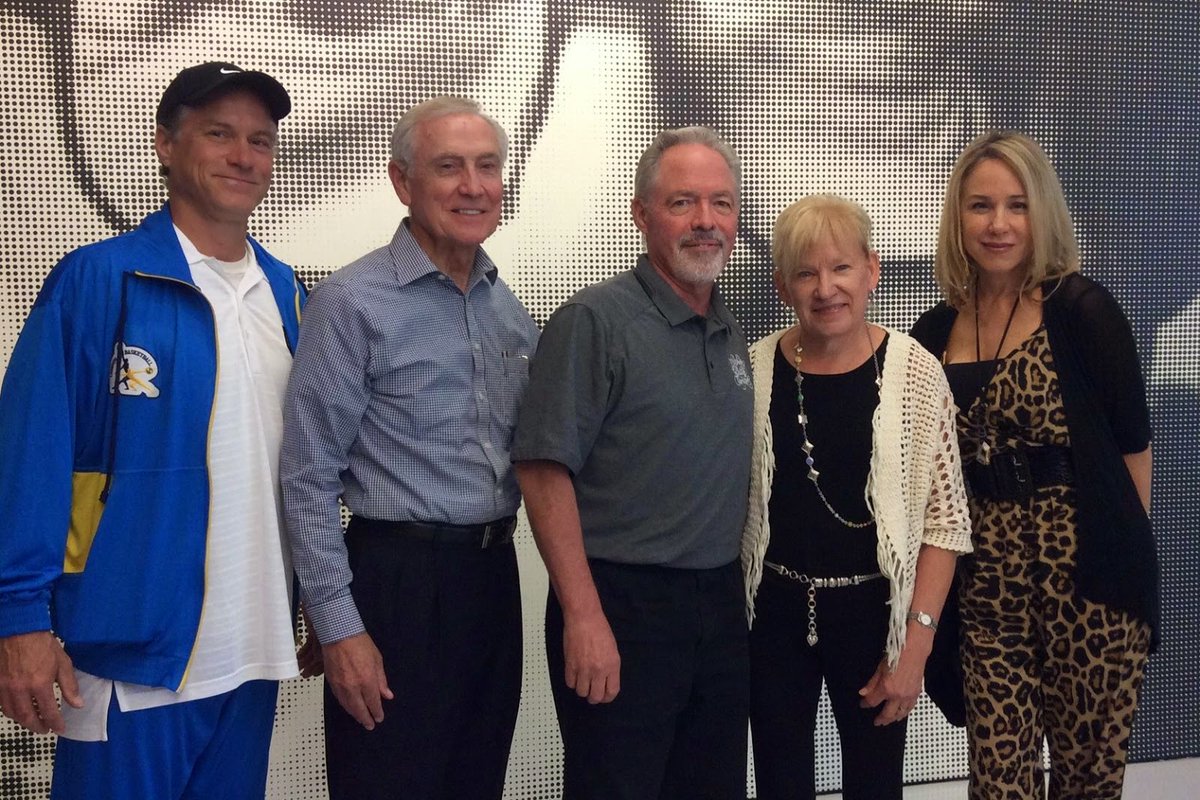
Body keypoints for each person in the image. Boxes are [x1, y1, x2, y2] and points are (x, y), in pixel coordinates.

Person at [0, 62, 304, 799]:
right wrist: (18, 618)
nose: (243, 156)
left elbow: (306, 472)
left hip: (253, 653)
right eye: (219, 134)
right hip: (128, 658)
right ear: (167, 145)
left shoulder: (289, 293)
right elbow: (31, 457)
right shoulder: (98, 280)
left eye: (260, 141)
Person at [280, 96, 539, 800]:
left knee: (476, 782)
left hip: (491, 580)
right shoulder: (351, 301)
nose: (473, 186)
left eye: (487, 166)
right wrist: (338, 626)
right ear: (403, 182)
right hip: (396, 586)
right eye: (448, 167)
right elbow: (307, 476)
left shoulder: (505, 307)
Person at [911, 131, 1158, 799]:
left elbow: (1134, 452)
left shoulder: (1083, 313)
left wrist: (1123, 567)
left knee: (1085, 785)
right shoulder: (932, 333)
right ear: (957, 217)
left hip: (1089, 586)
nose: (998, 224)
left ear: (1041, 211)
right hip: (987, 592)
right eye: (981, 206)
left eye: (1016, 205)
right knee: (998, 783)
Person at [512, 126, 753, 800]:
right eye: (682, 203)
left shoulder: (729, 328)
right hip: (622, 605)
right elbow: (542, 471)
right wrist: (584, 616)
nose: (706, 221)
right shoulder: (594, 321)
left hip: (718, 605)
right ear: (642, 215)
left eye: (722, 203)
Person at [740, 195, 971, 799]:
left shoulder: (916, 372)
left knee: (875, 786)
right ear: (782, 287)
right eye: (805, 273)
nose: (826, 289)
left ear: (871, 270)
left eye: (841, 267)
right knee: (779, 785)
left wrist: (915, 644)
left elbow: (945, 524)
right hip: (774, 616)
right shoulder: (755, 369)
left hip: (877, 619)